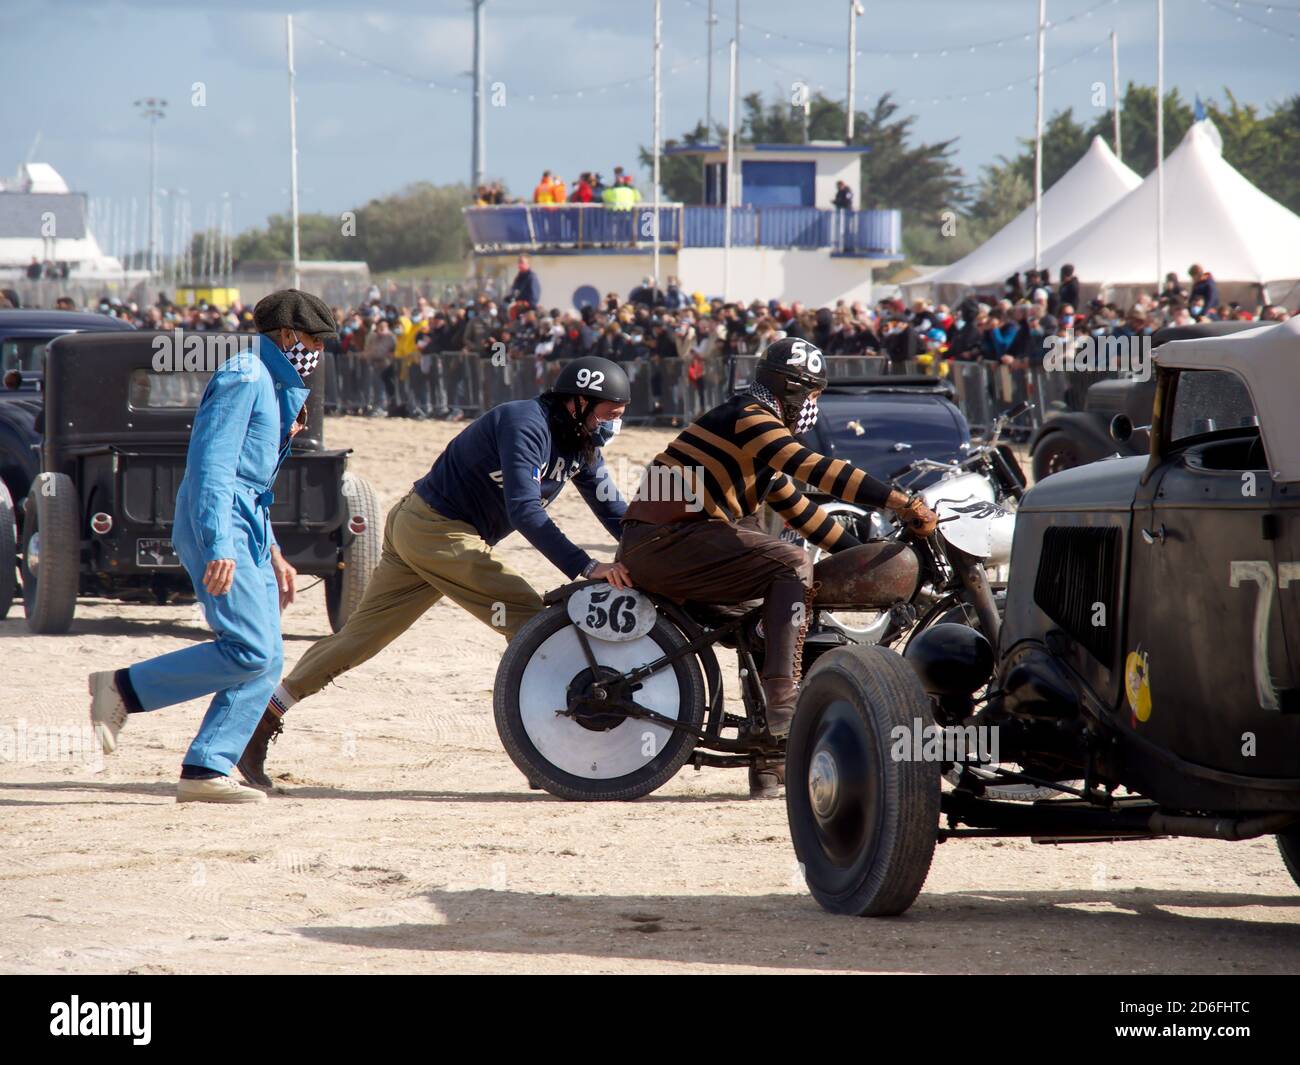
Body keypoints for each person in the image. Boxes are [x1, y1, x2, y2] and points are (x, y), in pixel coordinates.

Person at [235, 357, 634, 790]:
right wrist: (587, 566)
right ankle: (546, 752)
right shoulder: (526, 423)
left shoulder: (581, 444)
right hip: (435, 530)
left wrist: (647, 545)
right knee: (532, 622)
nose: (613, 425)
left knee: (357, 640)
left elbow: (612, 508)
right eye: (609, 414)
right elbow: (525, 510)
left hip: (422, 531)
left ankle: (258, 721)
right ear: (578, 402)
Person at [616, 338, 937, 797]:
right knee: (790, 562)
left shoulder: (756, 450)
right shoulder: (749, 418)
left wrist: (867, 558)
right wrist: (899, 501)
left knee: (763, 627)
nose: (813, 406)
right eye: (811, 396)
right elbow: (814, 469)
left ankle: (768, 760)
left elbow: (805, 512)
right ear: (790, 391)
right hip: (663, 541)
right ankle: (785, 703)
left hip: (675, 544)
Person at [87, 289, 333, 803]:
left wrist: (275, 551)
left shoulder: (274, 382)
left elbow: (254, 483)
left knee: (265, 659)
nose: (320, 350)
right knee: (249, 648)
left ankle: (205, 770)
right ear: (288, 335)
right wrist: (220, 542)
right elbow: (211, 467)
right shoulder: (245, 377)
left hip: (251, 528)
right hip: (219, 526)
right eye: (314, 338)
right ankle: (122, 689)